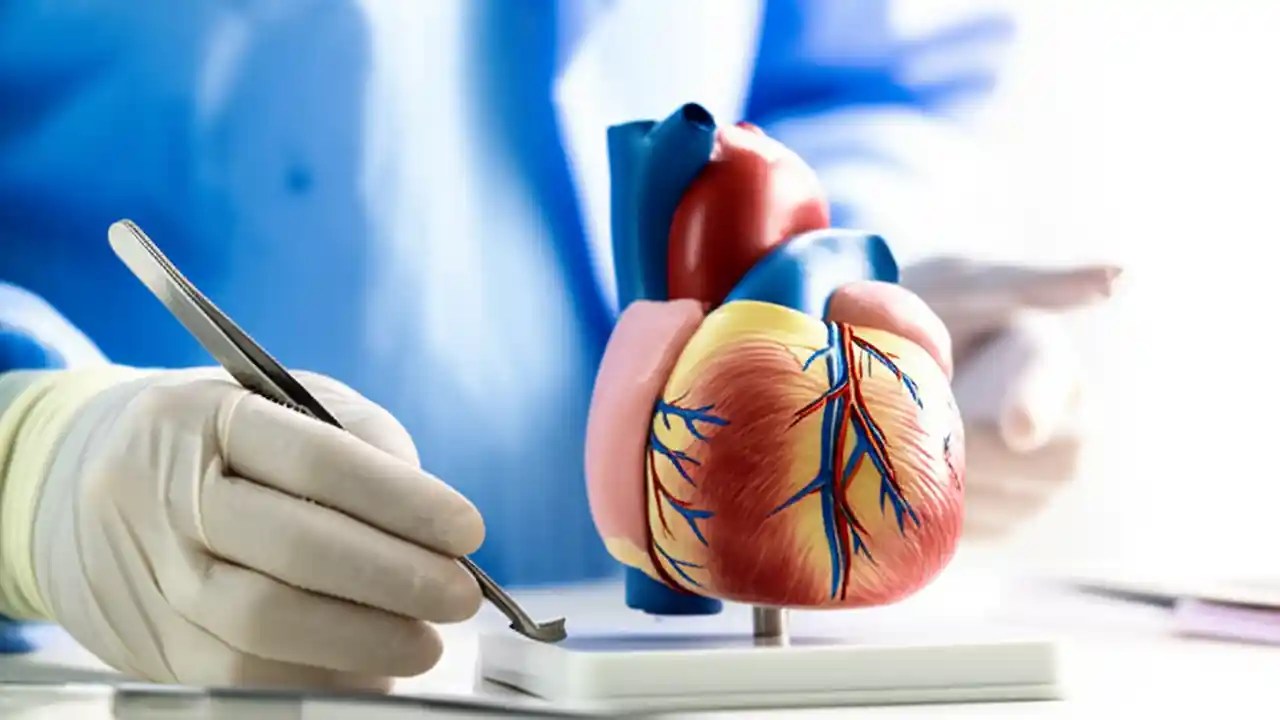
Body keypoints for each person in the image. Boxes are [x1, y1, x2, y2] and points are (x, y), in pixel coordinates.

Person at [0, 0, 1016, 689]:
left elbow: (863, 79)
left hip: (659, 648)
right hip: (112, 642)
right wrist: (28, 459)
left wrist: (865, 314)